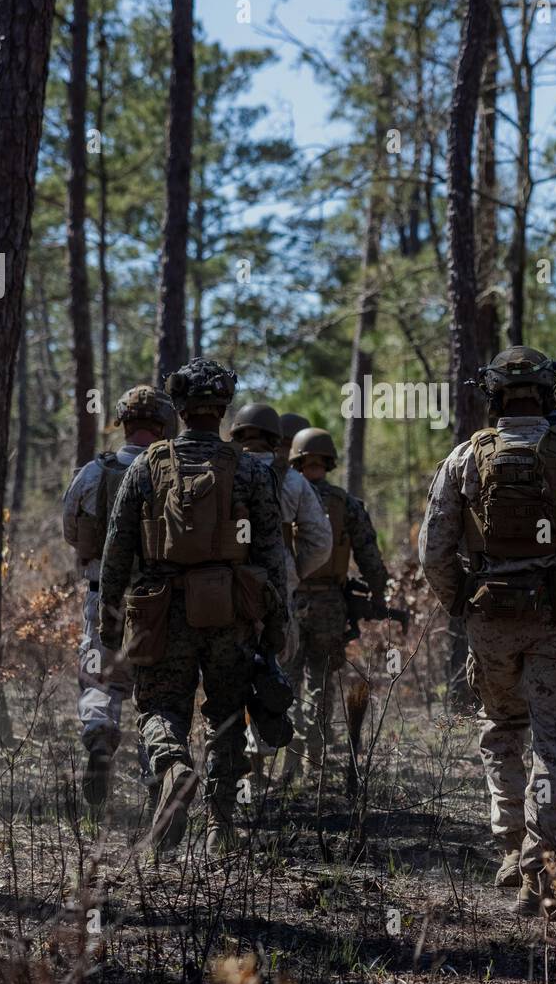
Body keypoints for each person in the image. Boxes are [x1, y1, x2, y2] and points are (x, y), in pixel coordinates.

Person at [419, 348, 556, 917]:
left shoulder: (465, 458)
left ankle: (508, 843)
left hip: (490, 618)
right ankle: (541, 866)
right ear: (548, 394)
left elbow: (432, 548)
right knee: (552, 741)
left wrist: (458, 603)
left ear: (494, 396)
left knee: (500, 728)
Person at [98, 359, 288, 857]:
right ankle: (219, 828)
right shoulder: (247, 468)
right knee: (227, 713)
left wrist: (109, 623)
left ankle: (172, 765)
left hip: (161, 611)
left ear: (178, 409)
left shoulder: (145, 465)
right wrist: (276, 626)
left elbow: (117, 549)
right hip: (231, 612)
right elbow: (272, 554)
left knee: (160, 706)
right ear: (222, 409)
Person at [62, 385, 175, 809]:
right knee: (154, 690)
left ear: (123, 423)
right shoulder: (170, 473)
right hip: (157, 601)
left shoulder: (93, 472)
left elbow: (71, 529)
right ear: (162, 424)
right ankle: (154, 778)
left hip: (100, 597)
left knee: (99, 678)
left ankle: (98, 735)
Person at [281, 426, 388, 786]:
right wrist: (378, 596)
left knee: (286, 682)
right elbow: (370, 557)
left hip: (290, 600)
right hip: (329, 602)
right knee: (321, 684)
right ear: (329, 461)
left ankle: (287, 765)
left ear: (295, 458)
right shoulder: (347, 504)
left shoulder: (283, 498)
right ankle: (316, 763)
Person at [230, 403, 332, 770]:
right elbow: (320, 540)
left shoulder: (223, 470)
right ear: (276, 439)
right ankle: (267, 750)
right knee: (274, 669)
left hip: (226, 589)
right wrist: (294, 572)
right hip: (275, 588)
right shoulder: (291, 480)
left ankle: (242, 761)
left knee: (227, 673)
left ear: (238, 434)